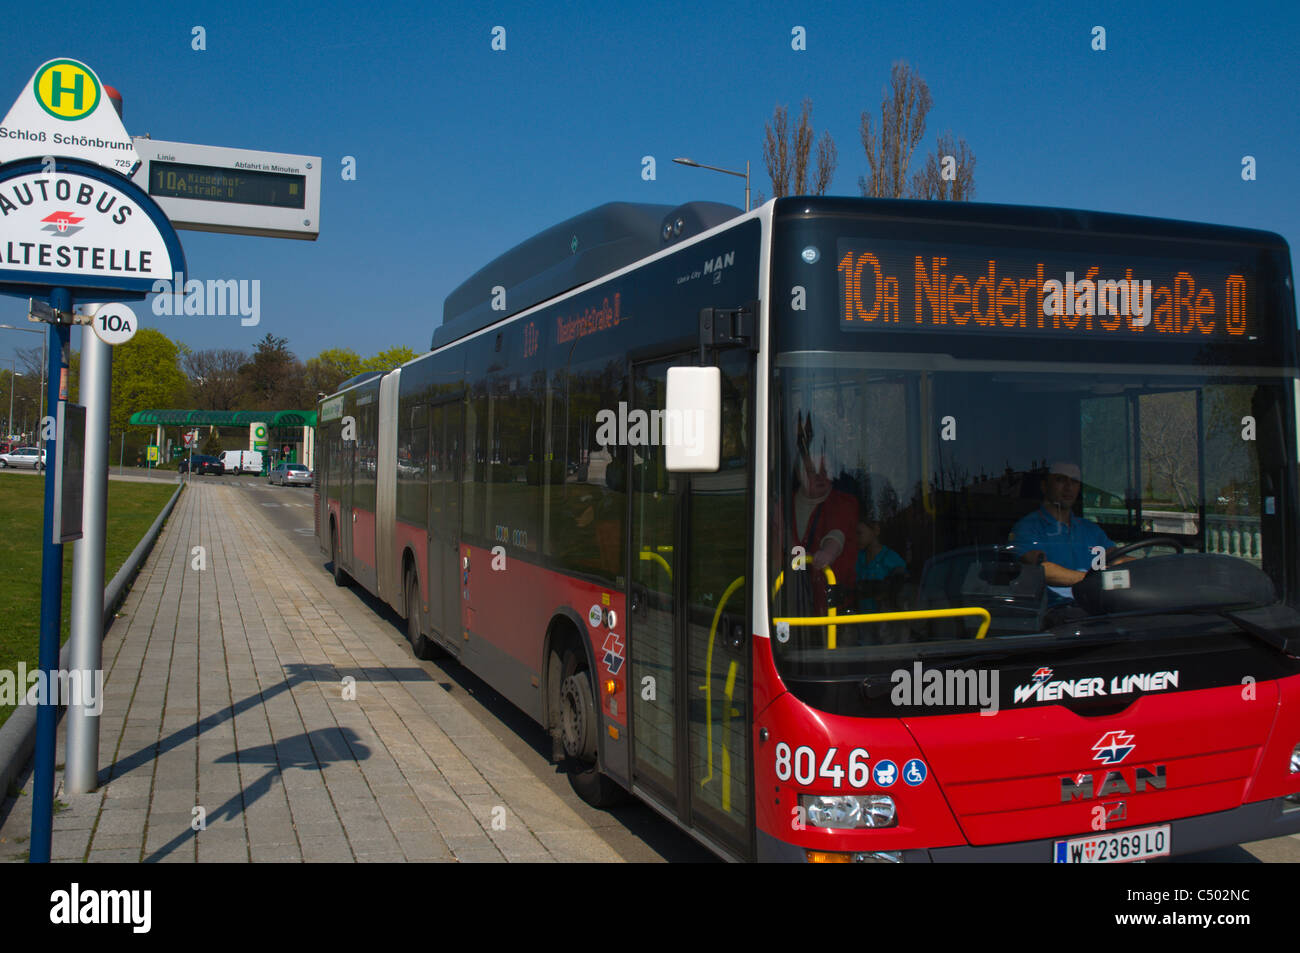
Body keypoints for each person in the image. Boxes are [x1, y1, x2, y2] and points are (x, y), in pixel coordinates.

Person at [1009, 461, 1127, 601]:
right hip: (1052, 614)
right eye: (1060, 480)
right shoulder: (1027, 528)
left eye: (1075, 481)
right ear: (1044, 486)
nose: (1068, 487)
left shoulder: (1090, 529)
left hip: (1095, 610)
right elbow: (1041, 569)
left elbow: (1115, 557)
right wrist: (1093, 580)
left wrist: (1139, 566)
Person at [788, 412, 858, 615]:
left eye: (825, 470)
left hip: (835, 605)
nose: (819, 476)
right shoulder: (782, 504)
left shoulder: (843, 502)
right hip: (792, 603)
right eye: (811, 471)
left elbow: (837, 534)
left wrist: (827, 553)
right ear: (798, 473)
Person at [855, 518, 907, 612]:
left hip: (885, 621)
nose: (856, 538)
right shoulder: (858, 557)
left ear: (876, 530)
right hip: (862, 619)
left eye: (859, 533)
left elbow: (900, 592)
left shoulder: (892, 559)